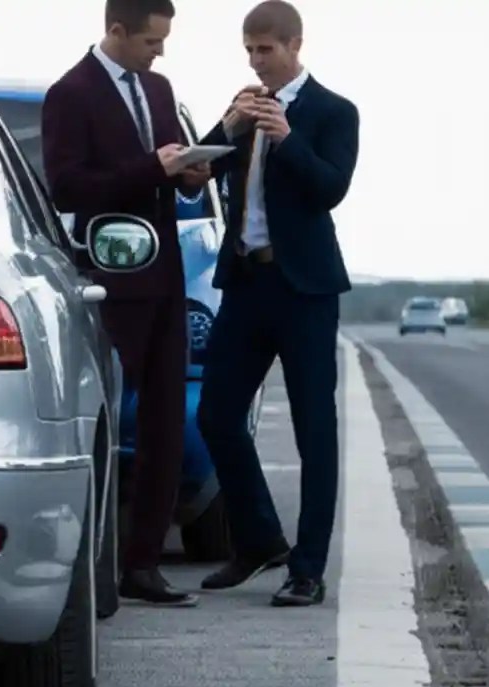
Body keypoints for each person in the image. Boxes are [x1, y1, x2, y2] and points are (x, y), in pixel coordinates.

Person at [42, 0, 211, 607]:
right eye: (149, 41)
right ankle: (96, 571)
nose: (158, 51)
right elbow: (65, 185)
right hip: (107, 278)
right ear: (115, 31)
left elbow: (164, 169)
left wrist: (189, 173)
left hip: (166, 273)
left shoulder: (160, 89)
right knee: (102, 426)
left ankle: (144, 567)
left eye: (162, 41)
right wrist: (151, 169)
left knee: (166, 424)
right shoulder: (72, 92)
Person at [194, 0, 360, 607]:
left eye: (266, 49)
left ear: (295, 44)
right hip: (245, 282)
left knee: (315, 430)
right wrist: (226, 129)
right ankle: (260, 539)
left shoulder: (333, 111)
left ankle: (307, 570)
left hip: (306, 290)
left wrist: (286, 139)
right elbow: (197, 172)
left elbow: (331, 188)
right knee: (215, 415)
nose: (257, 61)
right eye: (249, 51)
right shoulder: (244, 108)